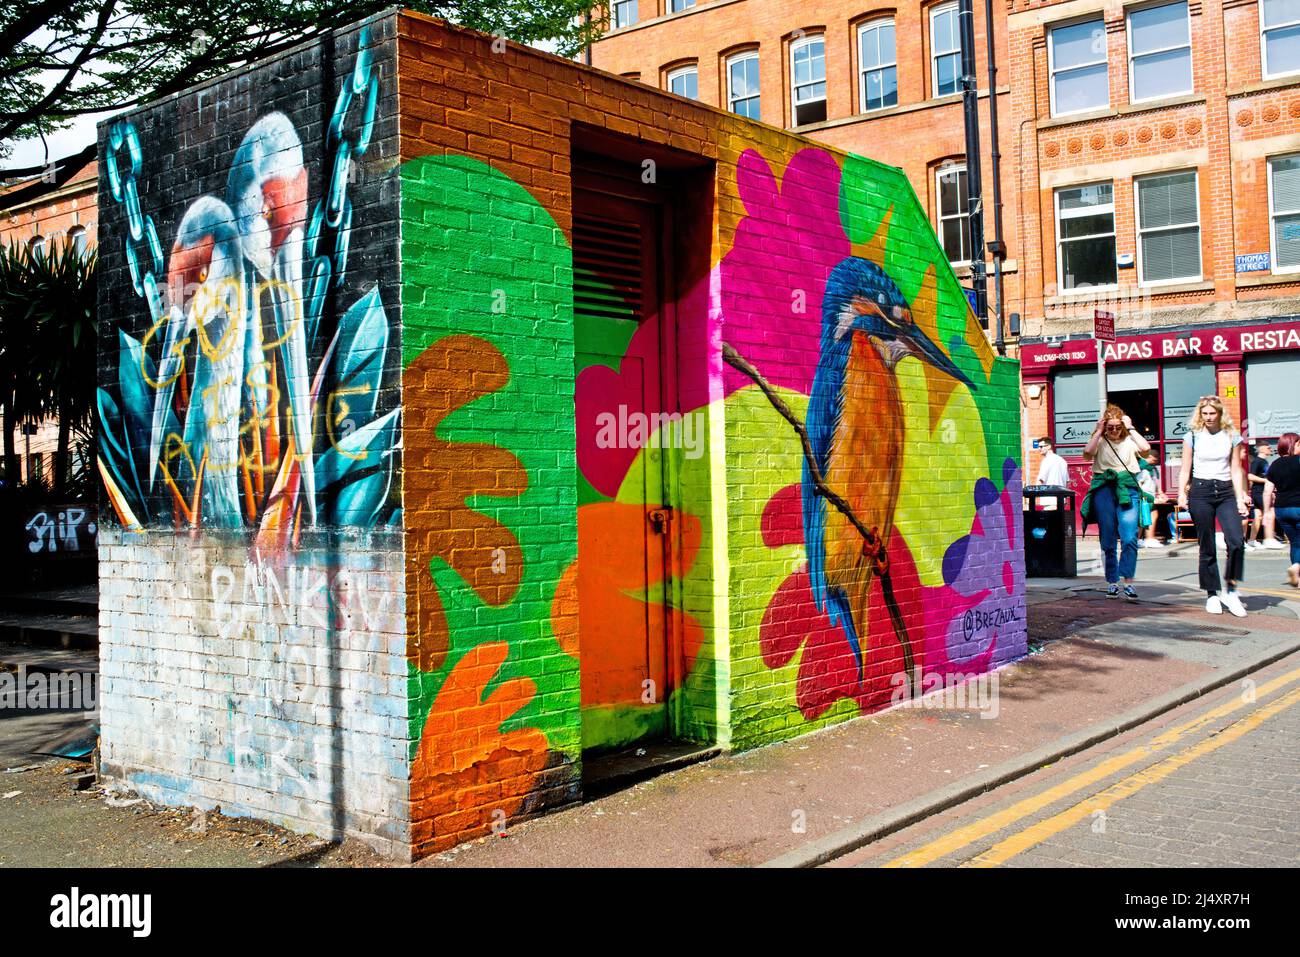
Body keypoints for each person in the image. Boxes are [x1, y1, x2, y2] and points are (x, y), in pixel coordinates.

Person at [1177, 395, 1250, 617]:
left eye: (1212, 413)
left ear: (1220, 414)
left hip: (1226, 490)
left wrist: (1240, 497)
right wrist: (1181, 493)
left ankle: (1231, 590)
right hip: (1200, 491)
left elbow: (1236, 469)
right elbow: (1185, 468)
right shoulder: (1192, 437)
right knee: (1206, 544)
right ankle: (1212, 594)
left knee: (1236, 541)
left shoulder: (1232, 436)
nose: (1208, 417)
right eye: (1204, 413)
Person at [1080, 404, 1152, 600]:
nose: (1113, 430)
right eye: (1110, 427)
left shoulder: (1129, 439)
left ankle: (1128, 582)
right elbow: (1087, 453)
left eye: (1117, 427)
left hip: (1127, 488)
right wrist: (1098, 430)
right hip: (1104, 489)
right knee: (1108, 538)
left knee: (1130, 537)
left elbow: (1146, 449)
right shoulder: (1101, 440)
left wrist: (1130, 428)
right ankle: (1112, 581)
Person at [1263, 432, 1300, 589]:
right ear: (1292, 445)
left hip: (1281, 509)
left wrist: (1266, 512)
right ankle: (1297, 566)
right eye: (1299, 444)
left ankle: (1297, 578)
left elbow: (1267, 491)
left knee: (1295, 543)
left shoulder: (1274, 465)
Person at [1138, 450, 1165, 548]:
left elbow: (1155, 482)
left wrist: (1161, 493)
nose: (1157, 460)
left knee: (1146, 517)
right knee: (1143, 518)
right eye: (1155, 458)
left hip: (1150, 496)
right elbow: (1138, 484)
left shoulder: (1152, 469)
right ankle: (1145, 539)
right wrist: (1144, 497)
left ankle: (1144, 539)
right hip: (1144, 497)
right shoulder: (1143, 469)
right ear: (1148, 457)